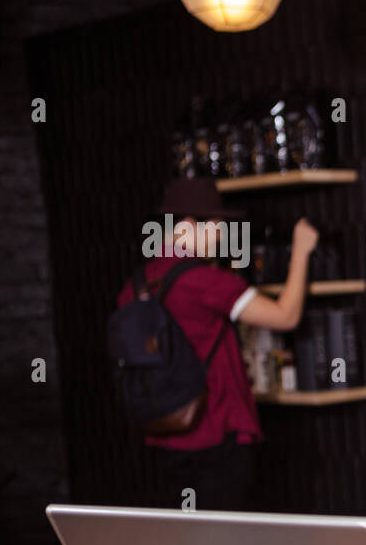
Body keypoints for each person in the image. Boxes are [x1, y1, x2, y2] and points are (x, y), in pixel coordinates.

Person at [115, 178, 318, 511]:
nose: (223, 236)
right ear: (187, 226)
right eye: (217, 226)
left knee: (188, 544)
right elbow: (286, 316)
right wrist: (301, 249)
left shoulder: (137, 284)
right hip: (216, 434)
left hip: (163, 434)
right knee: (227, 544)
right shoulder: (204, 281)